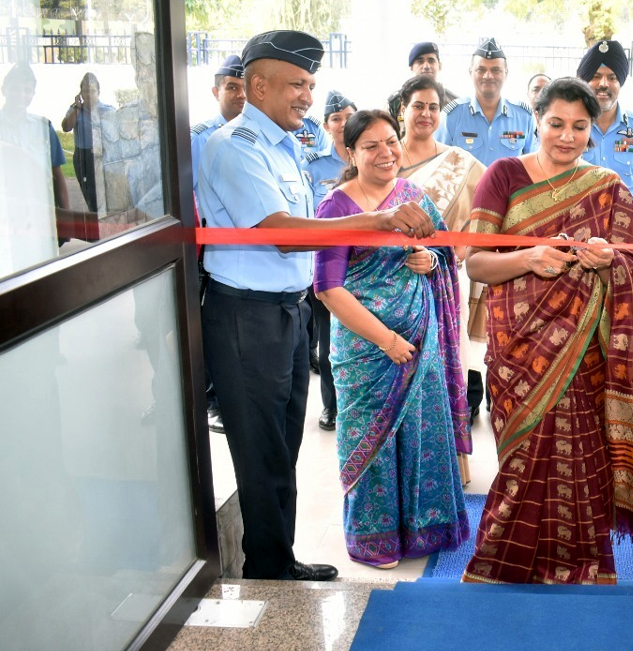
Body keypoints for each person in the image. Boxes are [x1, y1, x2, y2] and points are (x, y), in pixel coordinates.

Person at [198, 30, 438, 581]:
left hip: (288, 312)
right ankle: (268, 570)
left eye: (310, 84)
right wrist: (377, 221)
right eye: (296, 85)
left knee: (282, 447)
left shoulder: (288, 145)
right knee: (260, 451)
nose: (307, 97)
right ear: (257, 85)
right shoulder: (233, 147)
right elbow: (281, 234)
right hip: (245, 315)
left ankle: (277, 557)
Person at [461, 77, 633, 584]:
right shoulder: (504, 175)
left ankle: (584, 563)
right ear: (536, 121)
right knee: (524, 456)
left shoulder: (608, 188)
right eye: (556, 123)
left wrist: (607, 260)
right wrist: (529, 255)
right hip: (519, 347)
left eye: (579, 126)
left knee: (582, 451)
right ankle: (504, 562)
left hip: (585, 350)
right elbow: (475, 263)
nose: (567, 136)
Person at [313, 109, 470, 568]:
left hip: (421, 343)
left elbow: (441, 248)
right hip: (368, 351)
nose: (386, 153)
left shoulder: (414, 196)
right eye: (371, 146)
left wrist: (429, 260)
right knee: (371, 441)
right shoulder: (336, 208)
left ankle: (426, 527)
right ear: (350, 153)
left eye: (391, 142)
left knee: (422, 434)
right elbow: (327, 288)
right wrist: (386, 341)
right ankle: (374, 540)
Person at [393, 74, 488, 481]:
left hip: (443, 284)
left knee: (441, 372)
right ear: (403, 110)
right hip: (389, 287)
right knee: (398, 374)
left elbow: (487, 213)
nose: (426, 114)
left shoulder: (461, 164)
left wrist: (456, 250)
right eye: (418, 106)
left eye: (434, 107)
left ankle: (447, 469)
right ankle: (400, 468)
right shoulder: (384, 157)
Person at [190, 54, 246, 435]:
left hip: (248, 255)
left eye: (244, 87)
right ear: (216, 91)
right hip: (207, 251)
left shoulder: (260, 135)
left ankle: (228, 397)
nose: (239, 95)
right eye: (231, 87)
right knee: (208, 327)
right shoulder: (200, 138)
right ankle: (211, 399)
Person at [302, 89, 357, 433]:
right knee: (327, 342)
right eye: (336, 119)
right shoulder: (312, 164)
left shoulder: (370, 155)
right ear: (326, 125)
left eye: (349, 117)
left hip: (364, 266)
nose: (343, 124)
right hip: (327, 264)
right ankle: (331, 407)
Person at [576, 40, 633, 224]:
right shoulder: (568, 128)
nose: (604, 84)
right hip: (573, 236)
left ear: (620, 83)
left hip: (623, 237)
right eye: (596, 76)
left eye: (612, 77)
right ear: (584, 81)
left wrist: (628, 238)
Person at [435, 38, 536, 166]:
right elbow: (438, 164)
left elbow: (535, 162)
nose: (488, 76)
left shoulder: (523, 117)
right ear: (471, 72)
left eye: (495, 70)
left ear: (506, 73)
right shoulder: (451, 116)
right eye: (481, 70)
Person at [2, 63, 68, 210]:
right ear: (4, 89)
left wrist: (66, 219)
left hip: (40, 212)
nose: (21, 95)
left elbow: (57, 175)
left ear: (33, 94)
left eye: (27, 90)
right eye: (15, 89)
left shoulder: (44, 128)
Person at [61, 72, 112, 212]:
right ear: (80, 93)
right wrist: (77, 108)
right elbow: (66, 127)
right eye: (85, 91)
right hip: (83, 156)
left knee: (104, 194)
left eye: (92, 91)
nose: (89, 95)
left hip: (101, 156)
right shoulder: (75, 110)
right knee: (89, 195)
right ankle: (94, 218)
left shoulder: (107, 110)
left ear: (98, 92)